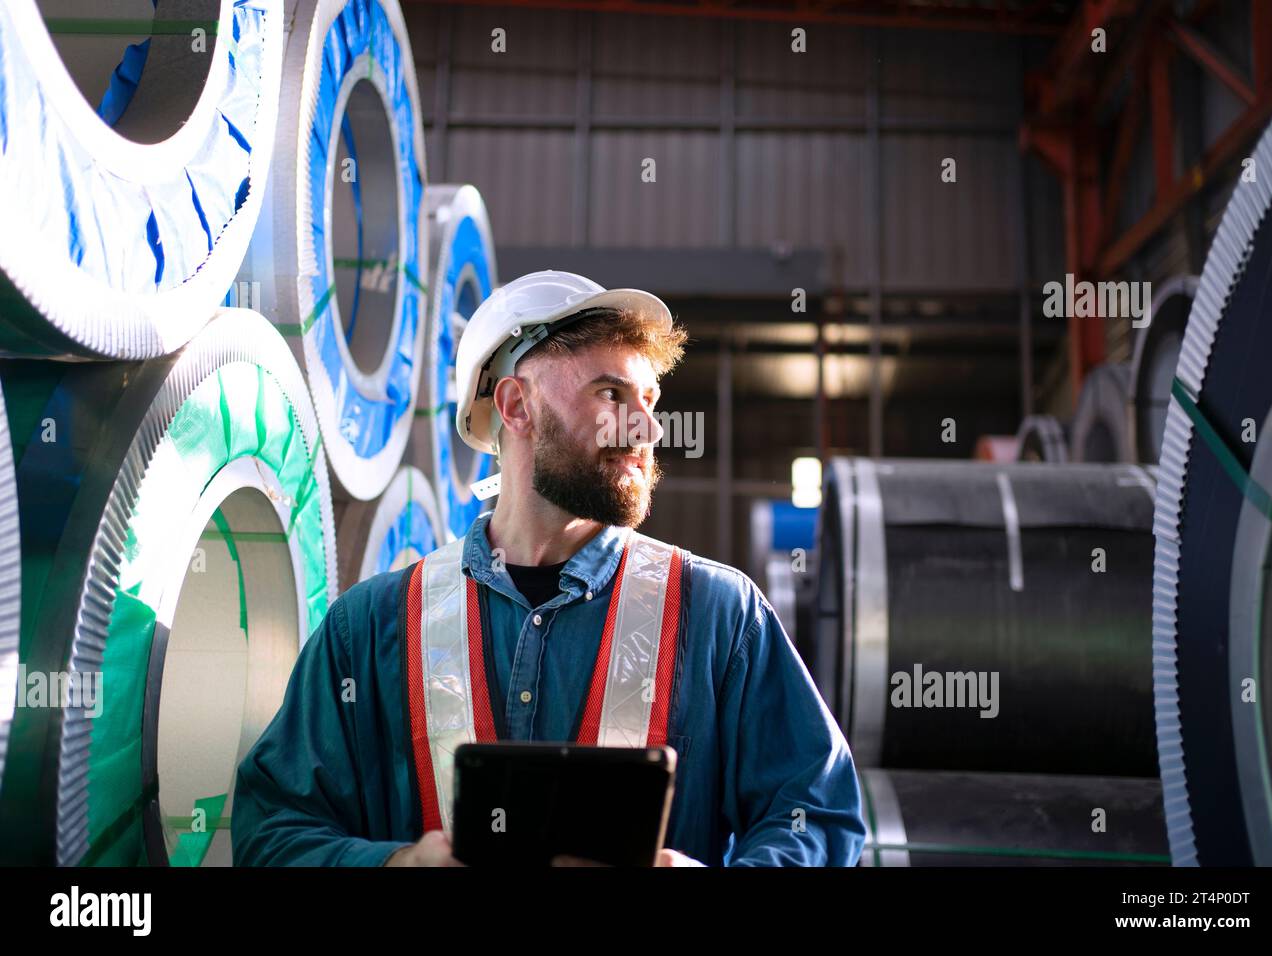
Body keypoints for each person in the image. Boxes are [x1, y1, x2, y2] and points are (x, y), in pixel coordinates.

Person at [232, 269, 866, 866]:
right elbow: (271, 831)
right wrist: (394, 863)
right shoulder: (368, 629)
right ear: (515, 406)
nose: (646, 426)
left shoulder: (723, 619)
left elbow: (819, 814)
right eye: (611, 393)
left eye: (650, 398)